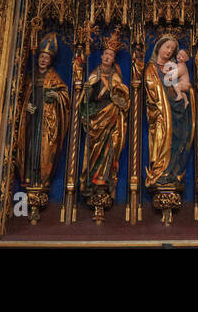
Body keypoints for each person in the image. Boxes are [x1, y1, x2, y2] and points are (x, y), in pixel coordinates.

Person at [80, 34, 130, 214]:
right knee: (94, 151)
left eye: (111, 55)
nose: (108, 57)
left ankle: (105, 180)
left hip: (111, 119)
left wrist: (118, 93)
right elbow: (86, 101)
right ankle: (92, 180)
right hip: (96, 120)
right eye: (106, 54)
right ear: (101, 57)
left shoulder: (116, 76)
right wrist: (87, 92)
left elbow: (123, 99)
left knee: (110, 149)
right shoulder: (94, 74)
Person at [16, 34, 70, 196]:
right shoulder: (30, 77)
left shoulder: (54, 78)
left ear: (51, 60)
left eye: (46, 57)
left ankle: (42, 177)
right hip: (31, 121)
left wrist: (55, 96)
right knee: (30, 147)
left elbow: (65, 97)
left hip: (46, 121)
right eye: (41, 56)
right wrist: (27, 107)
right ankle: (28, 176)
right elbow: (20, 100)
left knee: (44, 149)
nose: (43, 60)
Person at [143, 35, 195, 192]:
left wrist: (184, 89)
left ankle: (172, 172)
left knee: (178, 141)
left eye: (172, 49)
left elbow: (188, 86)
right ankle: (161, 172)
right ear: (159, 47)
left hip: (179, 112)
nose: (169, 51)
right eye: (167, 47)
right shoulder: (152, 68)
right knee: (162, 142)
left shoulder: (175, 66)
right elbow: (152, 90)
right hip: (161, 114)